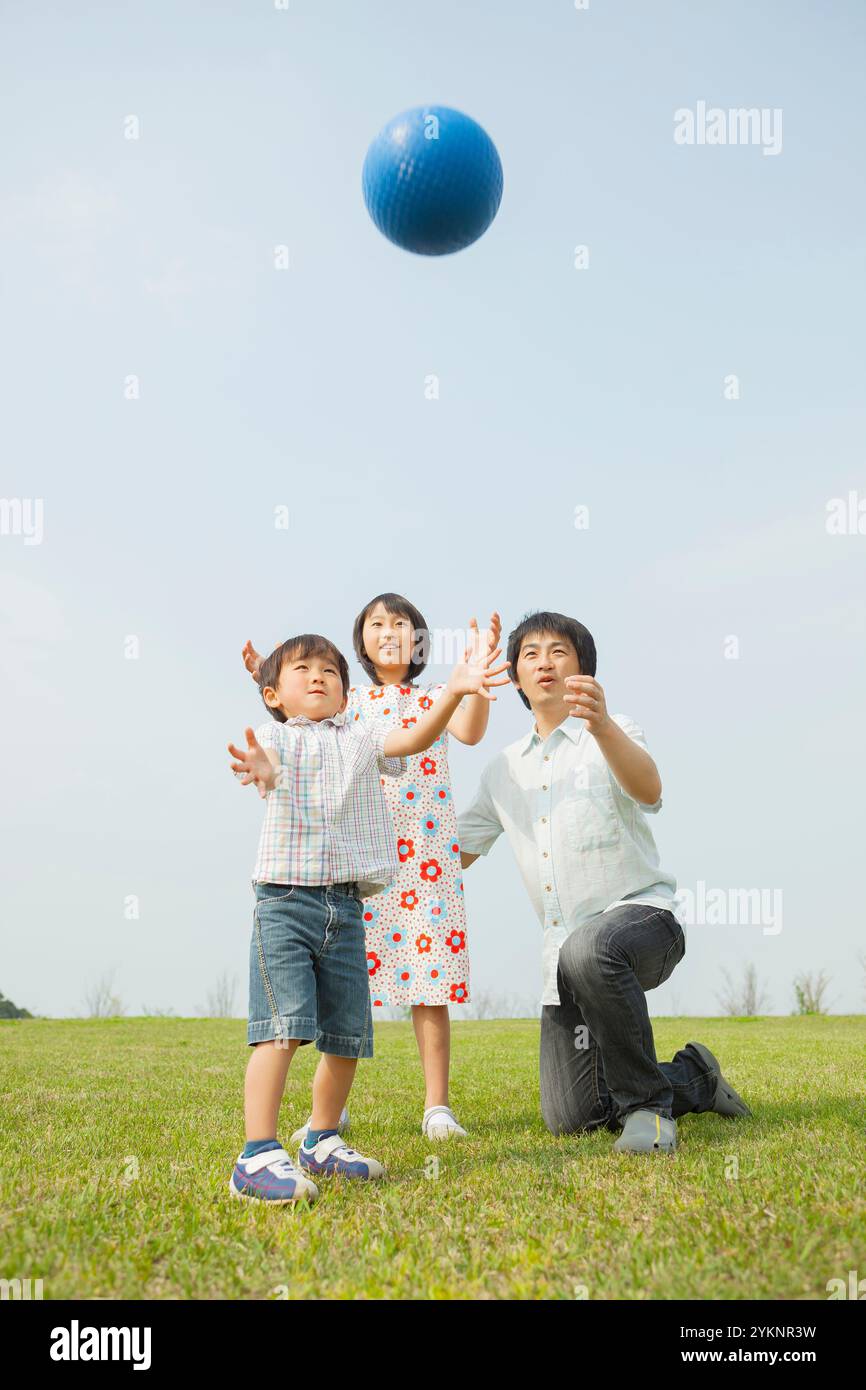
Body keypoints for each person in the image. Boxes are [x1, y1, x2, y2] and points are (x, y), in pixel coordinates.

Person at [228, 630, 509, 1205]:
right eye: (303, 669)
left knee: (347, 1036)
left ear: (345, 690)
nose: (318, 677)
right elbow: (272, 768)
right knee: (282, 1031)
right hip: (286, 903)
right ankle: (256, 1155)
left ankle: (322, 1140)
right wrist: (261, 767)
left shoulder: (360, 735)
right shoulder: (279, 737)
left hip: (347, 906)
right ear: (274, 693)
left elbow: (412, 738)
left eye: (330, 671)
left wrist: (453, 692)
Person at [456, 610, 752, 1155]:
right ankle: (694, 1078)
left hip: (642, 923)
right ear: (515, 679)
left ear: (583, 671)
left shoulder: (612, 731)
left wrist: (604, 724)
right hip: (564, 963)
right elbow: (453, 854)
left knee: (590, 948)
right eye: (530, 654)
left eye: (558, 651)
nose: (543, 660)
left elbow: (649, 789)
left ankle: (650, 1111)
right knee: (573, 1117)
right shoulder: (502, 771)